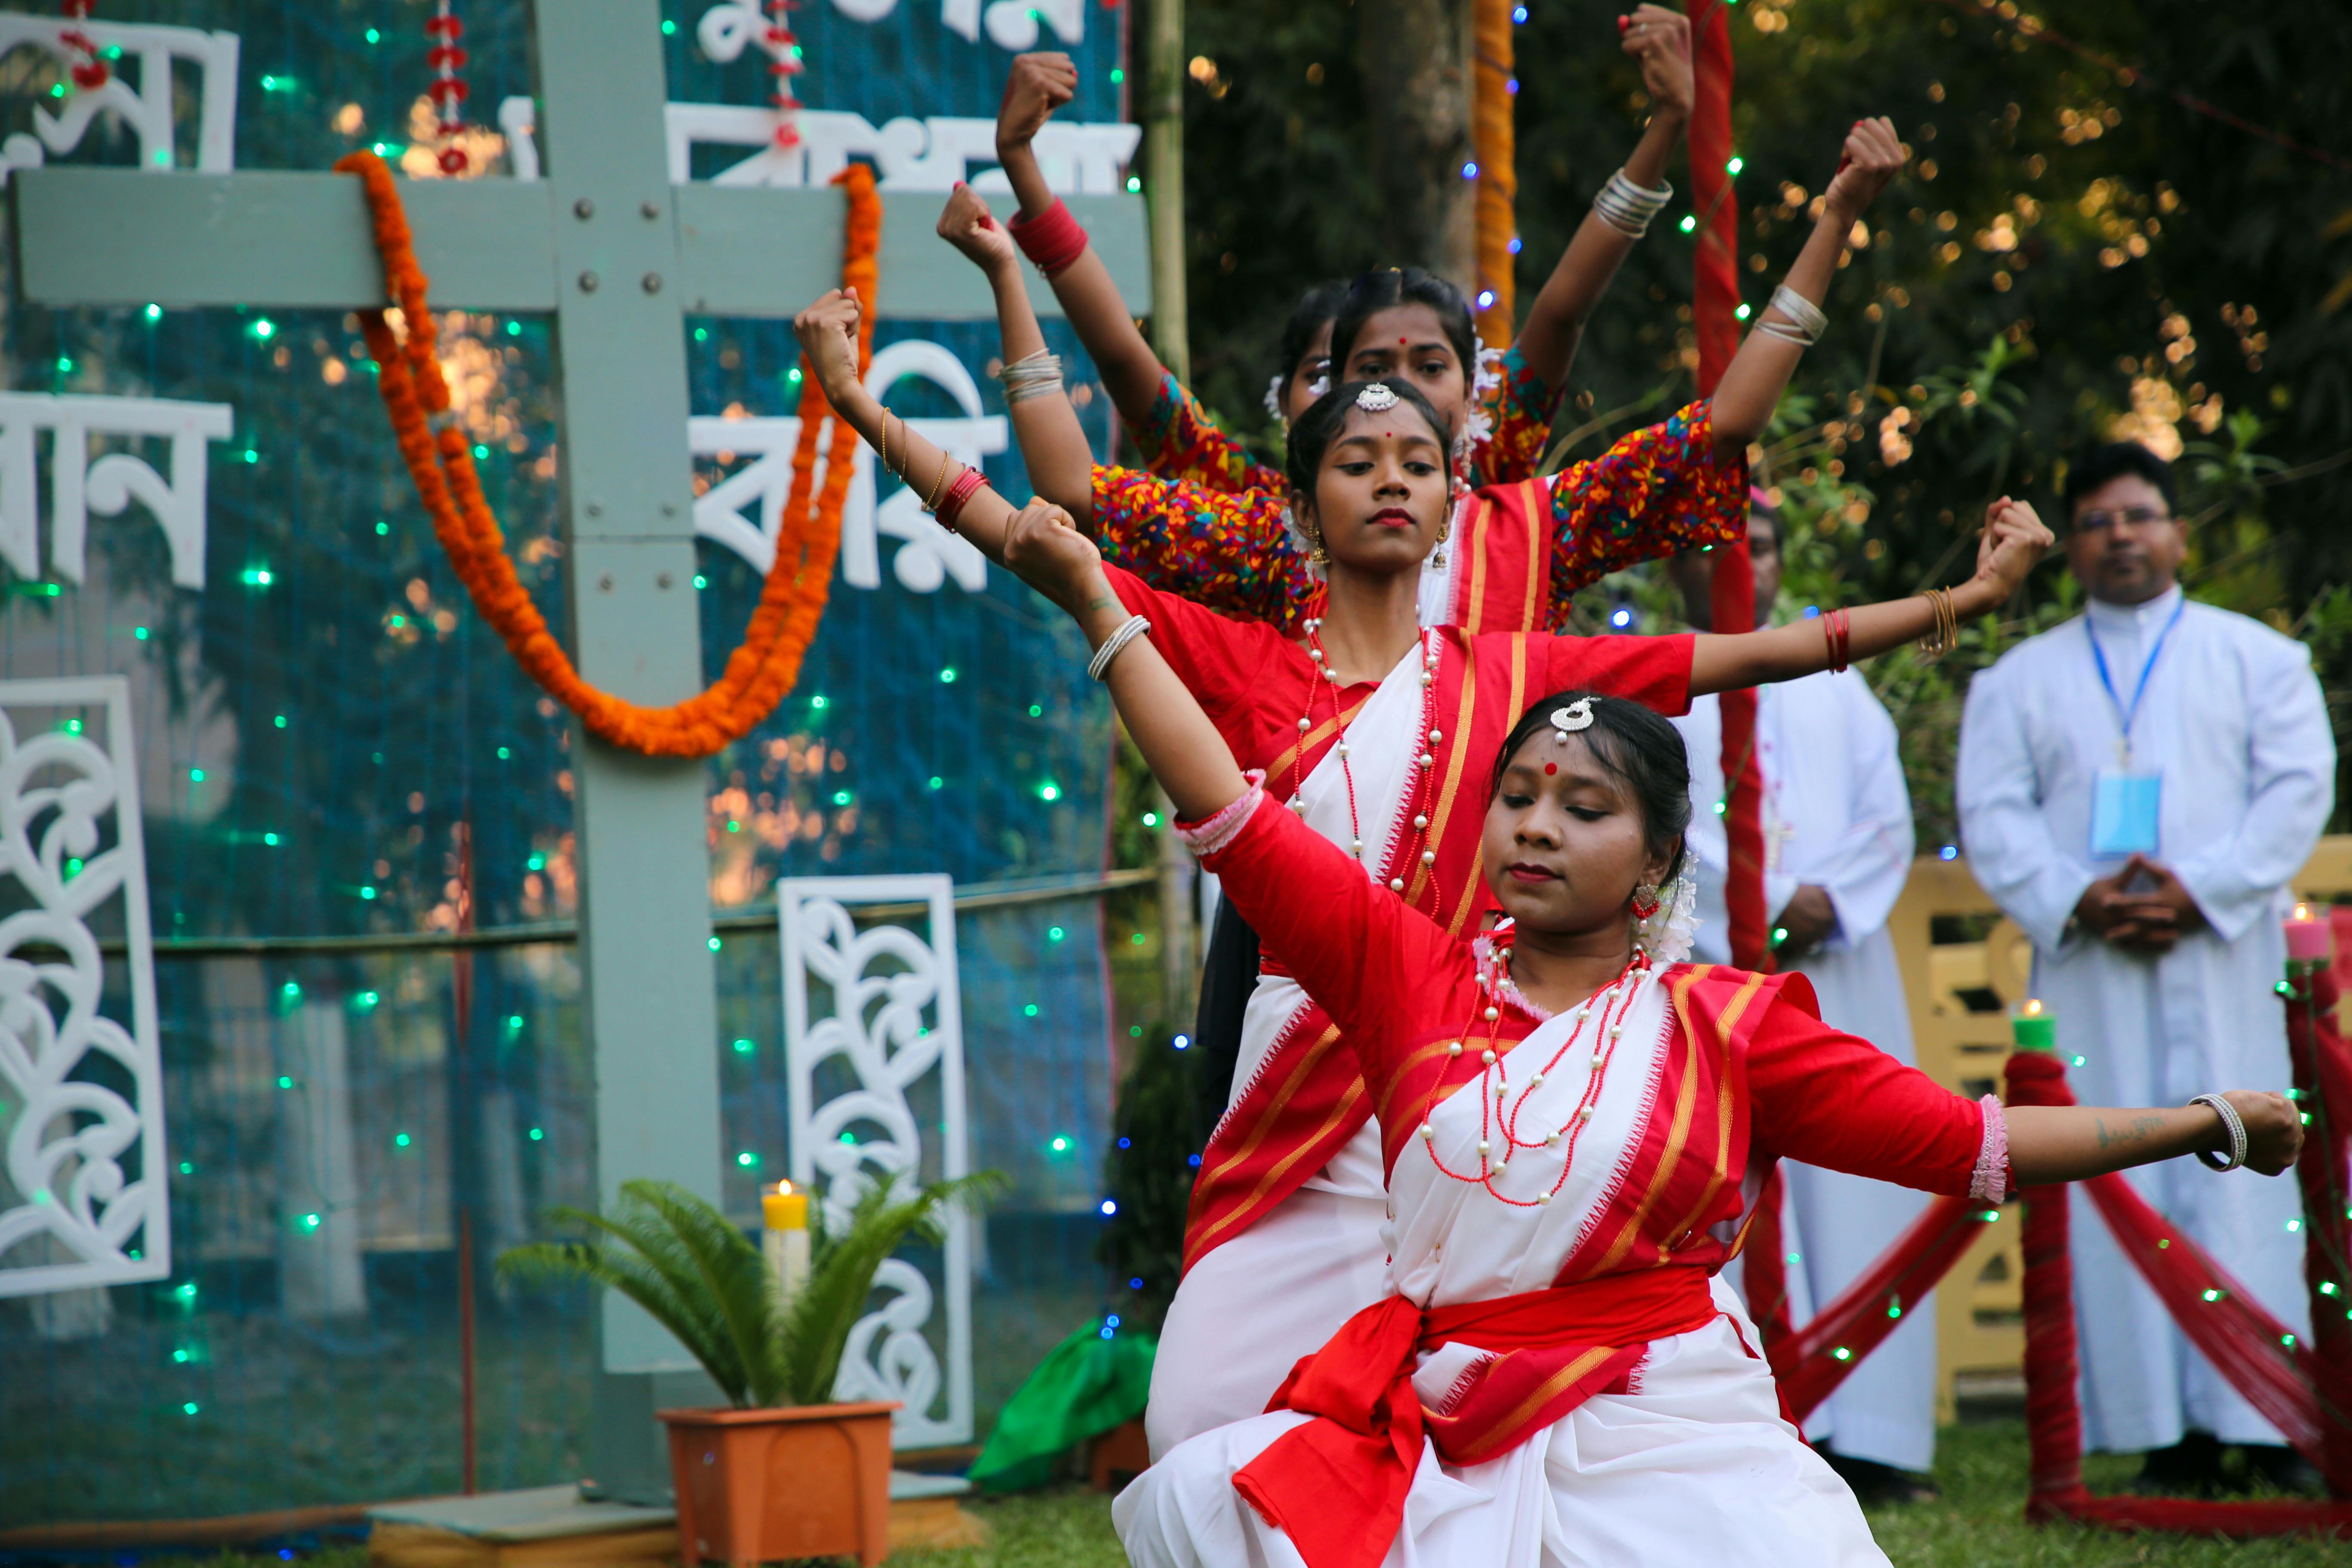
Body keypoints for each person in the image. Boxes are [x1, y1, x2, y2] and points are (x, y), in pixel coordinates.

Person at [978, 407, 2301, 1565]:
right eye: (1518, 801)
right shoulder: (1408, 968)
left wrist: (2212, 1123)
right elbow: (1228, 817)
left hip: (1671, 1437)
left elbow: (1974, 1145)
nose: (1537, 830)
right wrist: (1102, 611)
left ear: (1660, 858)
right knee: (1218, 1480)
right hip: (1456, 1425)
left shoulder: (1723, 1027)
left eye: (1584, 807)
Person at [796, 273, 2055, 1464]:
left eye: (1418, 464)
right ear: (1303, 506)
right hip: (1293, 1098)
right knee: (1199, 1419)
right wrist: (860, 411)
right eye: (1356, 462)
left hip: (1470, 1098)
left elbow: (1758, 654)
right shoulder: (1238, 665)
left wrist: (1965, 601)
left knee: (1455, 1424)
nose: (1391, 483)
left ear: (1455, 499)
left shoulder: (1510, 675)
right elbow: (1034, 541)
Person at [989, 10, 1754, 638]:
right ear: (1310, 397)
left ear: (1477, 390)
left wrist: (1667, 129)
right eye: (1367, 373)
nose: (1397, 396)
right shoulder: (1263, 532)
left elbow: (1564, 311)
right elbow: (1124, 367)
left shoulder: (1515, 509)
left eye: (1430, 367)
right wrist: (1021, 173)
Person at [1955, 441, 2336, 1494]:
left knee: (2249, 1180)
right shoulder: (2018, 678)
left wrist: (2201, 889)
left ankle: (2266, 1420)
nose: (2120, 535)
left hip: (2222, 954)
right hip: (2091, 966)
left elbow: (2298, 787)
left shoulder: (2259, 659)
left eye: (2140, 515)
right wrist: (2077, 895)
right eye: (2097, 521)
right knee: (2119, 1165)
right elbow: (1991, 811)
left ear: (2177, 531)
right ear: (2072, 544)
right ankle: (2162, 1429)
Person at [1669, 495, 1936, 1502]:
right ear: (1678, 566)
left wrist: (1826, 905)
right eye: (1718, 547)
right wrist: (1765, 903)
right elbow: (1650, 830)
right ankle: (1743, 1423)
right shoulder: (1661, 685)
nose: (1744, 564)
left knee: (1856, 1187)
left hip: (1839, 975)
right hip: (1715, 980)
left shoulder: (1840, 686)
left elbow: (1887, 822)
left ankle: (1868, 1433)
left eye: (1762, 545)